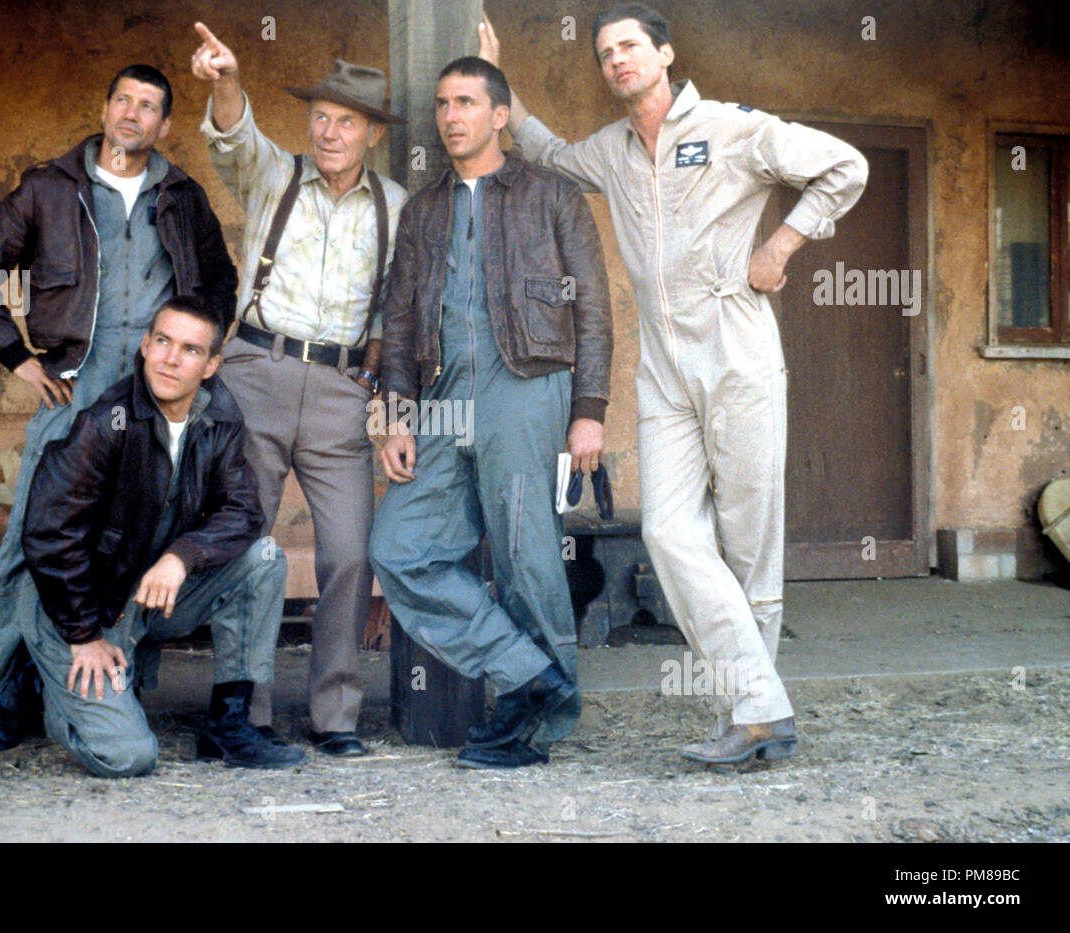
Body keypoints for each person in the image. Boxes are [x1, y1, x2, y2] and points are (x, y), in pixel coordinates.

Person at [479, 4, 868, 764]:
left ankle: (752, 714)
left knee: (751, 544)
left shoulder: (733, 127)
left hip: (736, 349)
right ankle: (762, 708)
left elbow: (845, 166)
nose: (616, 60)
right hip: (661, 369)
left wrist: (783, 243)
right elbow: (550, 153)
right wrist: (501, 84)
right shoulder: (614, 149)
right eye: (604, 53)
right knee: (666, 531)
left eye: (629, 46)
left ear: (665, 54)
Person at [0, 65, 238, 756]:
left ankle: (109, 682)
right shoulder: (51, 188)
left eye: (150, 108)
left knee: (144, 529)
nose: (134, 115)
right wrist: (18, 356)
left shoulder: (182, 196)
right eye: (124, 101)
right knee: (22, 548)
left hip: (154, 391)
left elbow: (220, 282)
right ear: (106, 108)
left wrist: (197, 355)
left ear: (166, 125)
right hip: (74, 389)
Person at [369, 57, 613, 769]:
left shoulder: (553, 194)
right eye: (443, 102)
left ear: (500, 115)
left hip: (527, 384)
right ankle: (528, 674)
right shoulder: (424, 208)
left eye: (467, 102)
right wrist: (397, 413)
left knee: (525, 553)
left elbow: (594, 308)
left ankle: (538, 723)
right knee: (400, 545)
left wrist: (589, 409)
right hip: (444, 397)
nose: (451, 116)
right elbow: (402, 323)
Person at [190, 23, 408, 756]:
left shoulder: (397, 206)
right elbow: (231, 139)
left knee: (350, 551)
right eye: (320, 115)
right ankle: (241, 707)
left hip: (343, 386)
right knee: (244, 539)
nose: (328, 130)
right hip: (257, 370)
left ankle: (334, 715)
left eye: (346, 120)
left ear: (373, 133)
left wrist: (375, 379)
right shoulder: (274, 174)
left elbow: (392, 307)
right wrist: (226, 82)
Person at [18, 296, 305, 776]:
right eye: (164, 342)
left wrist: (183, 555)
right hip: (82, 610)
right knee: (129, 756)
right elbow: (48, 534)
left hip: (149, 599)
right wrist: (83, 635)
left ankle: (229, 723)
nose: (171, 359)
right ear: (147, 345)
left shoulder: (220, 420)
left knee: (265, 556)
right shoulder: (104, 423)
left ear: (211, 365)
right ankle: (44, 683)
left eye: (190, 350)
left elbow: (243, 511)